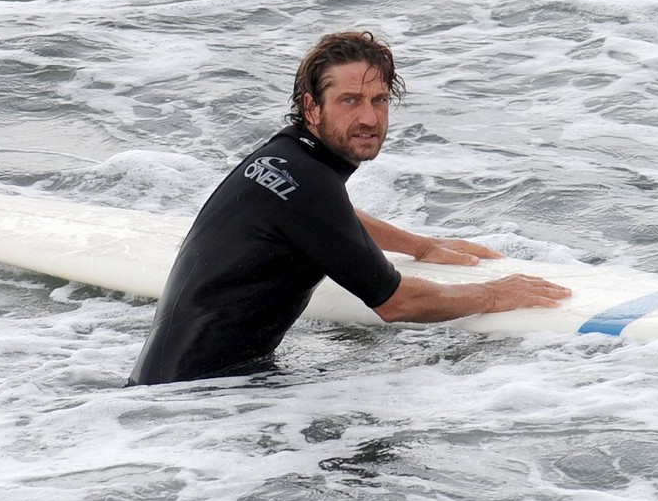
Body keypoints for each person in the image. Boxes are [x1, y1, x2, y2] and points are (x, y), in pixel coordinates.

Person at [127, 31, 570, 386]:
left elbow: (329, 217)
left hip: (171, 387)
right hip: (206, 400)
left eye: (379, 101)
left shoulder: (282, 158)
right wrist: (495, 294)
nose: (369, 119)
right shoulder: (311, 183)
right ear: (311, 107)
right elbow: (396, 303)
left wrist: (421, 246)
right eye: (350, 101)